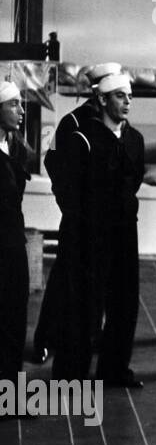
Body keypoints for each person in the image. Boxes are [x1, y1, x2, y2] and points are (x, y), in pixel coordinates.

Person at [52, 73, 146, 388]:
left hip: (124, 231)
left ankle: (115, 369)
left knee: (124, 300)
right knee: (83, 304)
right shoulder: (84, 138)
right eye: (120, 96)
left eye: (129, 96)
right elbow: (68, 187)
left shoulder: (135, 139)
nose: (127, 102)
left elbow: (134, 180)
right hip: (90, 233)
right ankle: (71, 375)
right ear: (103, 99)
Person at [33, 60, 121, 362]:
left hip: (106, 222)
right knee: (64, 280)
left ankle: (89, 337)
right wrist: (69, 204)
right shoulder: (72, 122)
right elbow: (53, 162)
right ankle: (44, 339)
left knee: (97, 283)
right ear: (99, 92)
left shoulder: (116, 125)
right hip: (78, 219)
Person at [0, 81, 30, 396]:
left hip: (13, 244)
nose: (21, 111)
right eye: (13, 104)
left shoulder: (16, 147)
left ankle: (10, 394)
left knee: (14, 320)